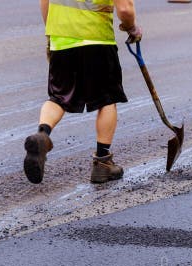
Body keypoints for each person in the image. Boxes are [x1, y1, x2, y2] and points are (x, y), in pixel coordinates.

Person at [24, 0, 143, 185]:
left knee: (57, 98)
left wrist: (51, 35)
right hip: (96, 38)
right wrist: (131, 28)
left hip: (61, 39)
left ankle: (42, 135)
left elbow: (45, 2)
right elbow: (125, 9)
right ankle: (102, 163)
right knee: (106, 99)